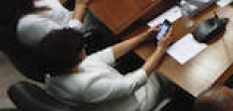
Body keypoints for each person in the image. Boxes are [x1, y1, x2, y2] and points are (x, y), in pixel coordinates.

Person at [39, 27, 175, 111]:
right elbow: (132, 84)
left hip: (114, 92)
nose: (85, 46)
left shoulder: (54, 72)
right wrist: (160, 49)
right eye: (82, 47)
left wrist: (141, 38)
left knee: (147, 59)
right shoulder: (85, 86)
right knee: (167, 68)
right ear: (77, 56)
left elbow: (106, 55)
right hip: (136, 103)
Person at [0, 0, 93, 49]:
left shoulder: (28, 3)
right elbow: (69, 38)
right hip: (84, 33)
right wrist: (80, 6)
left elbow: (52, 0)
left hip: (83, 16)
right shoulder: (28, 25)